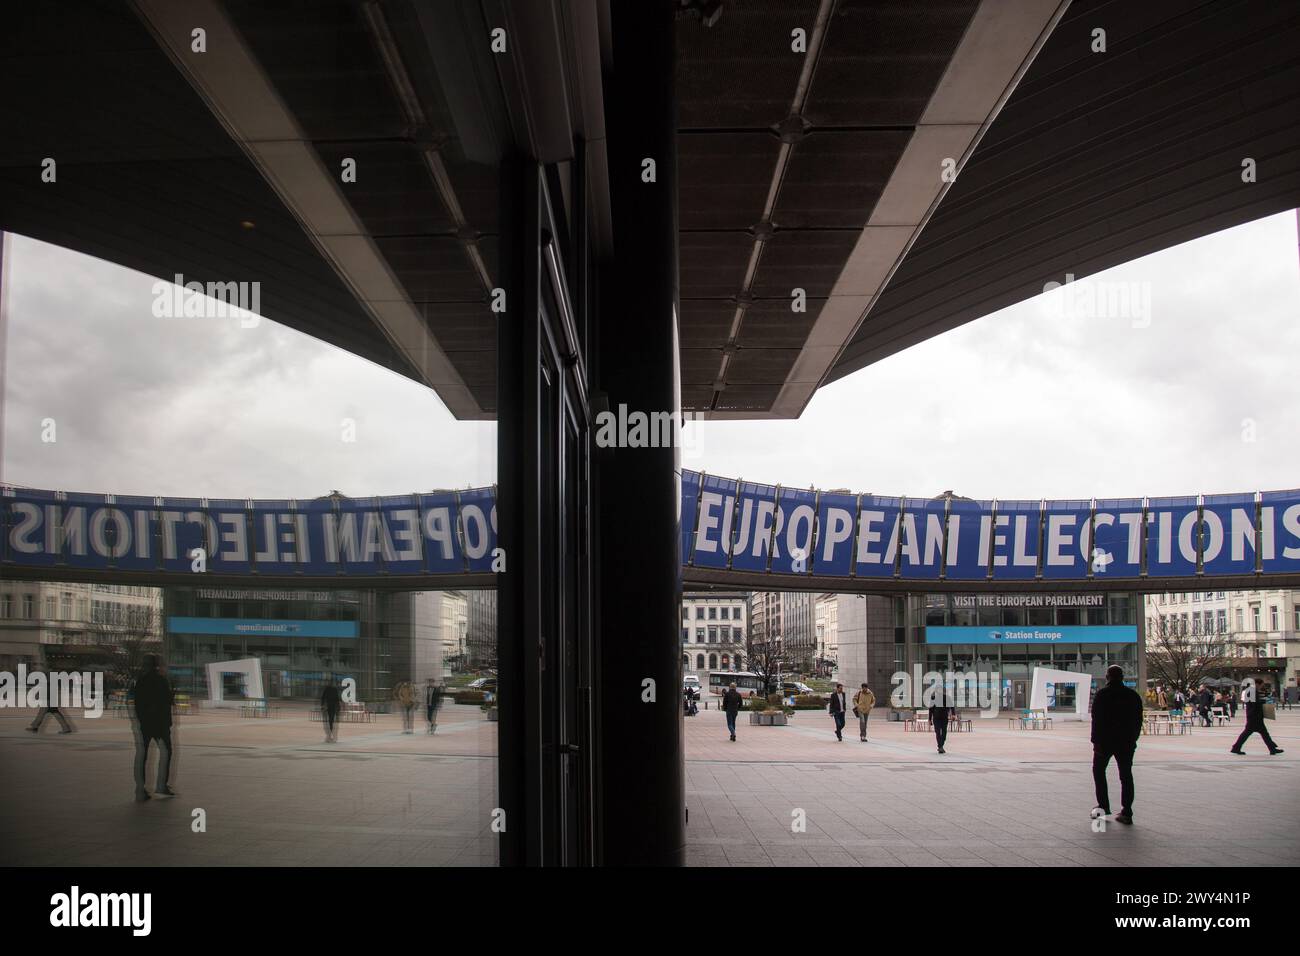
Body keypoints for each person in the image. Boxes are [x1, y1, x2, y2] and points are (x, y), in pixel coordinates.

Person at [1090, 664, 1143, 825]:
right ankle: (1127, 811)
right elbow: (1138, 720)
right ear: (1122, 677)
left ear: (1107, 677)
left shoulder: (1102, 694)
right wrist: (1134, 739)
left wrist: (1096, 741)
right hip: (1126, 742)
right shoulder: (1132, 695)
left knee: (1099, 772)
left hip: (1105, 742)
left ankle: (1103, 807)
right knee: (1126, 775)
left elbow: (1097, 720)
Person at [132, 655, 176, 801]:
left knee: (142, 755)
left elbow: (137, 702)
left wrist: (141, 720)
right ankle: (161, 785)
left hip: (145, 724)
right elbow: (168, 701)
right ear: (157, 666)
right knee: (167, 752)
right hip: (160, 724)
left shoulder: (141, 681)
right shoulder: (161, 680)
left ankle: (140, 788)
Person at [1230, 679, 1284, 756]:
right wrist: (1264, 701)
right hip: (1254, 716)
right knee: (1252, 733)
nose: (1262, 686)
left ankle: (1272, 749)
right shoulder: (1252, 691)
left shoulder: (1250, 690)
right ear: (1257, 684)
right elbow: (1254, 703)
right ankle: (1236, 748)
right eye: (1262, 685)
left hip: (1254, 716)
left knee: (1262, 733)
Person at [321, 676, 341, 743]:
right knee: (331, 721)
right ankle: (330, 735)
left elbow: (337, 699)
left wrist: (338, 707)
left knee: (331, 721)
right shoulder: (329, 689)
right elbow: (323, 698)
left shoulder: (330, 689)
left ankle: (330, 735)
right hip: (330, 707)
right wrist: (323, 705)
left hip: (331, 707)